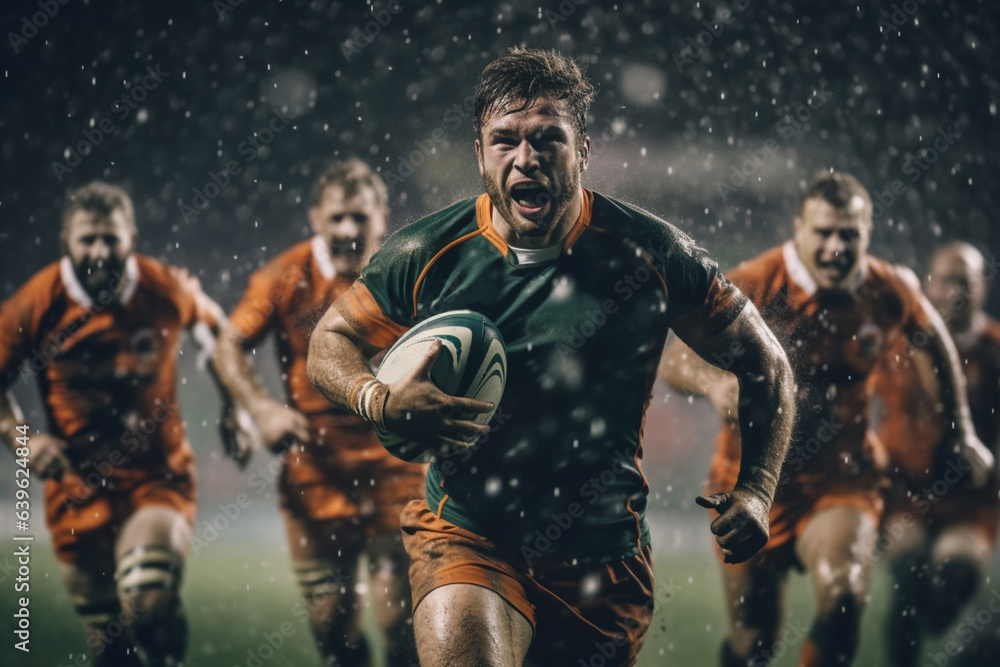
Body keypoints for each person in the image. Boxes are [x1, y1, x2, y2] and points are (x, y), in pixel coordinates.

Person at [305, 47, 795, 667]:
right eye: (504, 141)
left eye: (547, 140)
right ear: (479, 155)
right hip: (468, 535)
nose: (525, 159)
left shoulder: (651, 253)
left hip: (602, 559)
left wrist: (756, 490)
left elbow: (766, 364)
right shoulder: (428, 251)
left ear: (582, 150)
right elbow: (330, 341)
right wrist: (376, 396)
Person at [658, 172, 995, 667]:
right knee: (755, 645)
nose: (836, 246)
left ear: (867, 233)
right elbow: (675, 361)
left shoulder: (886, 288)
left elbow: (936, 340)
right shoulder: (758, 281)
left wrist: (960, 428)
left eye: (849, 234)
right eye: (824, 233)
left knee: (843, 597)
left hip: (844, 480)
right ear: (799, 229)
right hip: (753, 485)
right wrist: (714, 383)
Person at [0, 181, 254, 667]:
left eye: (110, 239)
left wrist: (233, 407)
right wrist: (22, 439)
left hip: (155, 477)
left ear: (131, 238)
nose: (99, 251)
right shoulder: (37, 302)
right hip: (73, 487)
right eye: (87, 239)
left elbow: (219, 336)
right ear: (65, 243)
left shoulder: (163, 288)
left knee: (147, 605)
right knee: (110, 650)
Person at [212, 159, 425, 666]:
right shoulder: (284, 276)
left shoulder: (409, 272)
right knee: (333, 630)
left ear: (382, 217)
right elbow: (228, 346)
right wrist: (257, 408)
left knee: (401, 625)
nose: (348, 230)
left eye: (359, 218)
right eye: (337, 219)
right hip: (316, 472)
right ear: (316, 219)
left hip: (397, 468)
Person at [871, 241, 1000, 666]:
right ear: (929, 282)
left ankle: (938, 626)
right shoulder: (896, 341)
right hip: (904, 488)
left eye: (965, 281)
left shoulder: (994, 348)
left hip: (969, 496)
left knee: (956, 577)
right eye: (946, 279)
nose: (954, 290)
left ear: (982, 288)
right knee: (907, 578)